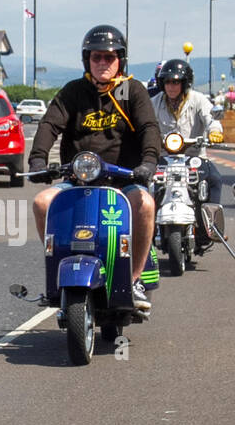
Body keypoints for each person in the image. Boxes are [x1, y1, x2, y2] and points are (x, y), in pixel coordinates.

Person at [28, 24, 162, 312]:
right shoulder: (74, 91)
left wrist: (148, 162)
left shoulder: (131, 90)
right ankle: (57, 273)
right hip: (77, 182)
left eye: (109, 57)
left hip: (123, 181)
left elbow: (149, 127)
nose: (103, 63)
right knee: (42, 203)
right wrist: (38, 159)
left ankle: (135, 278)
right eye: (96, 57)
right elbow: (49, 123)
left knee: (146, 205)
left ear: (120, 60)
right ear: (87, 59)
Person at [149, 58, 224, 204]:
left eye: (175, 82)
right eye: (167, 82)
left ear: (185, 83)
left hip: (195, 158)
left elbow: (211, 118)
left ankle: (212, 223)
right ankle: (149, 225)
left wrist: (214, 131)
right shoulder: (154, 102)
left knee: (215, 180)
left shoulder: (199, 100)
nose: (171, 86)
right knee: (145, 184)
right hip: (164, 158)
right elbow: (145, 123)